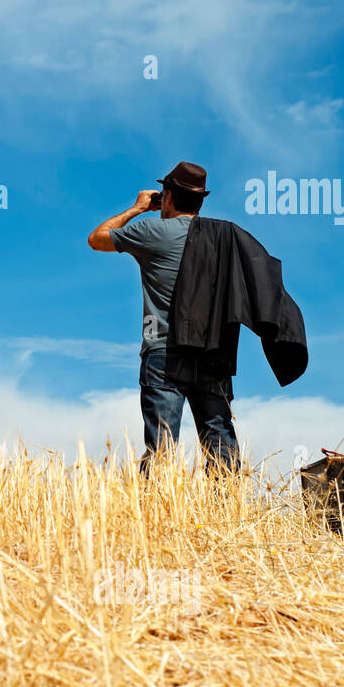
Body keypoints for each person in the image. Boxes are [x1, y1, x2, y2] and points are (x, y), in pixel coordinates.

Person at [86, 162, 239, 475]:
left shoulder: (150, 231)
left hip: (164, 353)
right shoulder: (224, 237)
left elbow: (97, 238)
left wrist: (138, 208)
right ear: (200, 200)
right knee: (222, 448)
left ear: (167, 197)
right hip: (213, 353)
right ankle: (228, 513)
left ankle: (158, 515)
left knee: (162, 450)